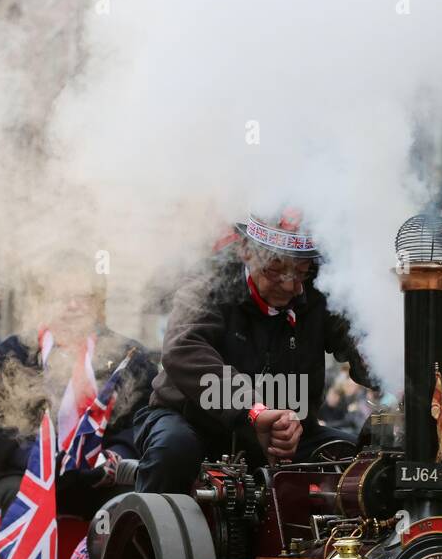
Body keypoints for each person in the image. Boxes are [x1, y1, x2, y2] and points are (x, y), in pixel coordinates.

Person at [134, 210, 371, 493]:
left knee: (358, 466)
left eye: (300, 271)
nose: (290, 285)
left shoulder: (322, 290)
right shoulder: (210, 280)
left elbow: (361, 342)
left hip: (289, 433)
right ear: (246, 251)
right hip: (195, 421)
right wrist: (253, 410)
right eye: (275, 268)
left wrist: (392, 369)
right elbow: (184, 348)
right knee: (172, 450)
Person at [0, 285, 155, 519]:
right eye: (62, 297)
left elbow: (143, 418)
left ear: (97, 303)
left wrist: (114, 457)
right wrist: (33, 457)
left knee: (128, 507)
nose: (73, 306)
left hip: (103, 476)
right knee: (23, 507)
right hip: (24, 472)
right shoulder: (16, 350)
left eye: (82, 297)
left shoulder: (128, 354)